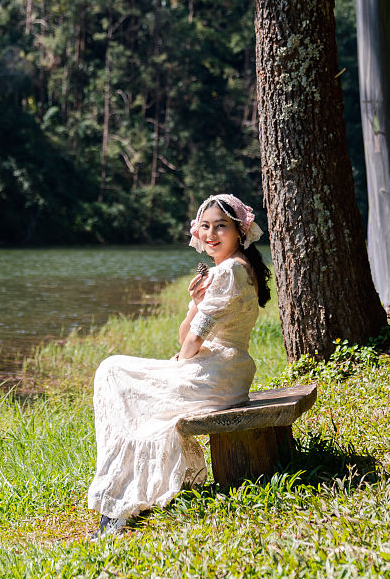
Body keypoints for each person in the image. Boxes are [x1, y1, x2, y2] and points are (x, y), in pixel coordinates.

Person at [86, 193, 272, 540]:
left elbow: (192, 343)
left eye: (221, 226)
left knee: (113, 372)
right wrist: (195, 303)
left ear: (239, 231)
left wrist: (178, 362)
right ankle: (122, 494)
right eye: (205, 226)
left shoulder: (230, 269)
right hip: (225, 371)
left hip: (217, 373)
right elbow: (187, 332)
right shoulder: (232, 268)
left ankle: (119, 502)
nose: (211, 234)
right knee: (118, 376)